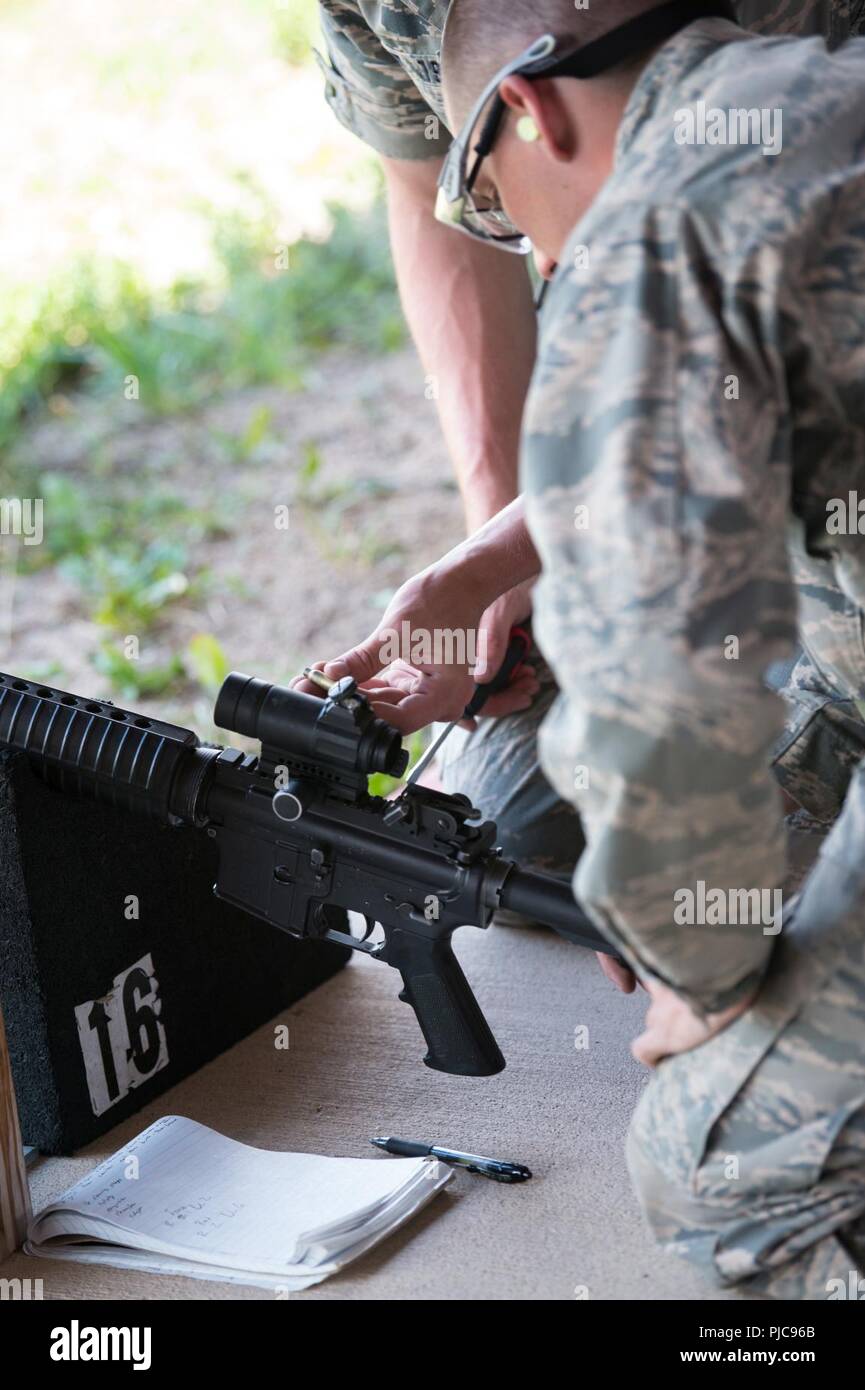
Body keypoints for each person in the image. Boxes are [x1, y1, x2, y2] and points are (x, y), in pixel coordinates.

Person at [306, 0, 865, 1298]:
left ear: (529, 110)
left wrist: (698, 976)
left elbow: (661, 718)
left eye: (487, 199)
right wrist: (490, 562)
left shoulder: (643, 245)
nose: (521, 248)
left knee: (715, 1154)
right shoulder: (814, 96)